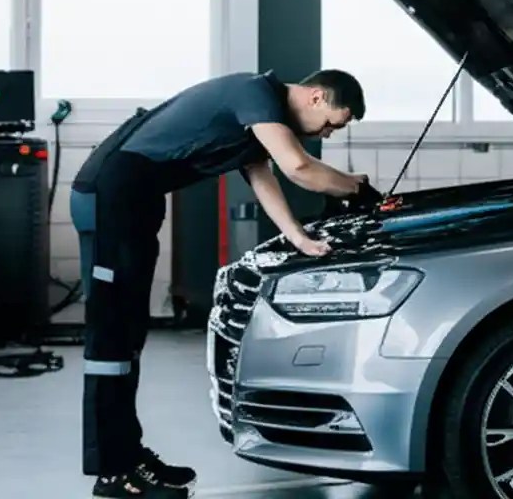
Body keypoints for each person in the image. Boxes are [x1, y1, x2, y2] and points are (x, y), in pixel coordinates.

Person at [68, 69, 371, 499]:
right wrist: (356, 189)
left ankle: (127, 454)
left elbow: (264, 176)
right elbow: (299, 167)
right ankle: (113, 472)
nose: (326, 133)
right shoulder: (254, 93)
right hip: (109, 194)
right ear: (317, 97)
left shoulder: (260, 118)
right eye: (330, 124)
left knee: (129, 332)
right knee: (111, 336)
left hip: (134, 200)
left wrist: (299, 238)